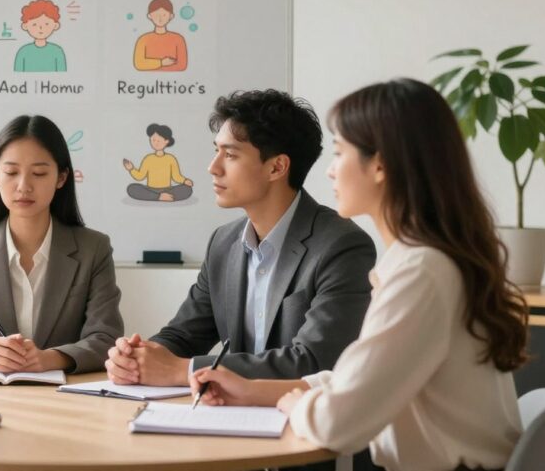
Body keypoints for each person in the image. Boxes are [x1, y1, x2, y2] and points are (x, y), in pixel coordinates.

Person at [190, 79, 528, 471]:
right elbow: (357, 377)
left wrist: (296, 403)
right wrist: (253, 390)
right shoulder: (422, 262)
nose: (330, 172)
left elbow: (337, 424)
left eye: (339, 153)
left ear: (380, 165)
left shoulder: (422, 273)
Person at [106, 90, 374, 385]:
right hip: (231, 414)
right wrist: (138, 357)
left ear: (277, 167)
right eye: (216, 150)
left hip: (301, 420)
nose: (213, 167)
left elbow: (315, 360)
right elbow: (184, 335)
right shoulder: (223, 242)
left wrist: (183, 370)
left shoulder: (341, 245)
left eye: (230, 155)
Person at [0, 114, 123, 374]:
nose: (24, 186)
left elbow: (106, 338)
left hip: (66, 398)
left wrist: (48, 359)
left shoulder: (93, 248)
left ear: (61, 178)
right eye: (11, 172)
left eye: (39, 173)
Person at [123, 122, 194, 202]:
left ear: (166, 141)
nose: (155, 143)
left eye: (158, 140)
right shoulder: (148, 159)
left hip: (167, 189)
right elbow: (140, 176)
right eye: (153, 140)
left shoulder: (171, 159)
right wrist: (131, 169)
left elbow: (176, 176)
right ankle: (158, 197)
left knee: (187, 189)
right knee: (131, 188)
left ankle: (162, 196)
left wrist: (185, 181)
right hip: (151, 189)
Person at [132, 0, 188, 72]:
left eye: (164, 15)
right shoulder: (143, 39)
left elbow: (182, 65)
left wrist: (151, 65)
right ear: (149, 16)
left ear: (171, 16)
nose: (160, 19)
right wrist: (161, 63)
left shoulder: (178, 39)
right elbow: (138, 64)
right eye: (156, 15)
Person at [13, 0, 67, 72]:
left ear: (55, 25)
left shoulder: (57, 51)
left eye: (46, 24)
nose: (40, 28)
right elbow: (16, 76)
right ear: (25, 26)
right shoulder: (23, 52)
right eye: (34, 24)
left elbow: (63, 76)